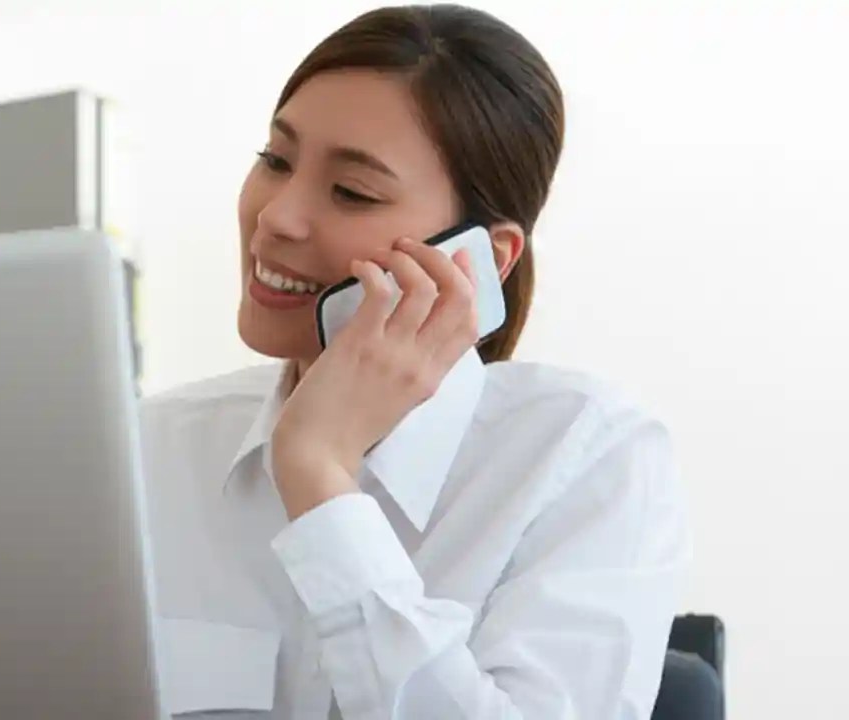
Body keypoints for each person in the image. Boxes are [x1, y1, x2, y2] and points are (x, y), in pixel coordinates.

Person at [140, 4, 690, 719]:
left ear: (480, 262)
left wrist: (317, 471)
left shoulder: (590, 454)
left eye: (352, 192)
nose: (277, 216)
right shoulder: (146, 449)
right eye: (275, 160)